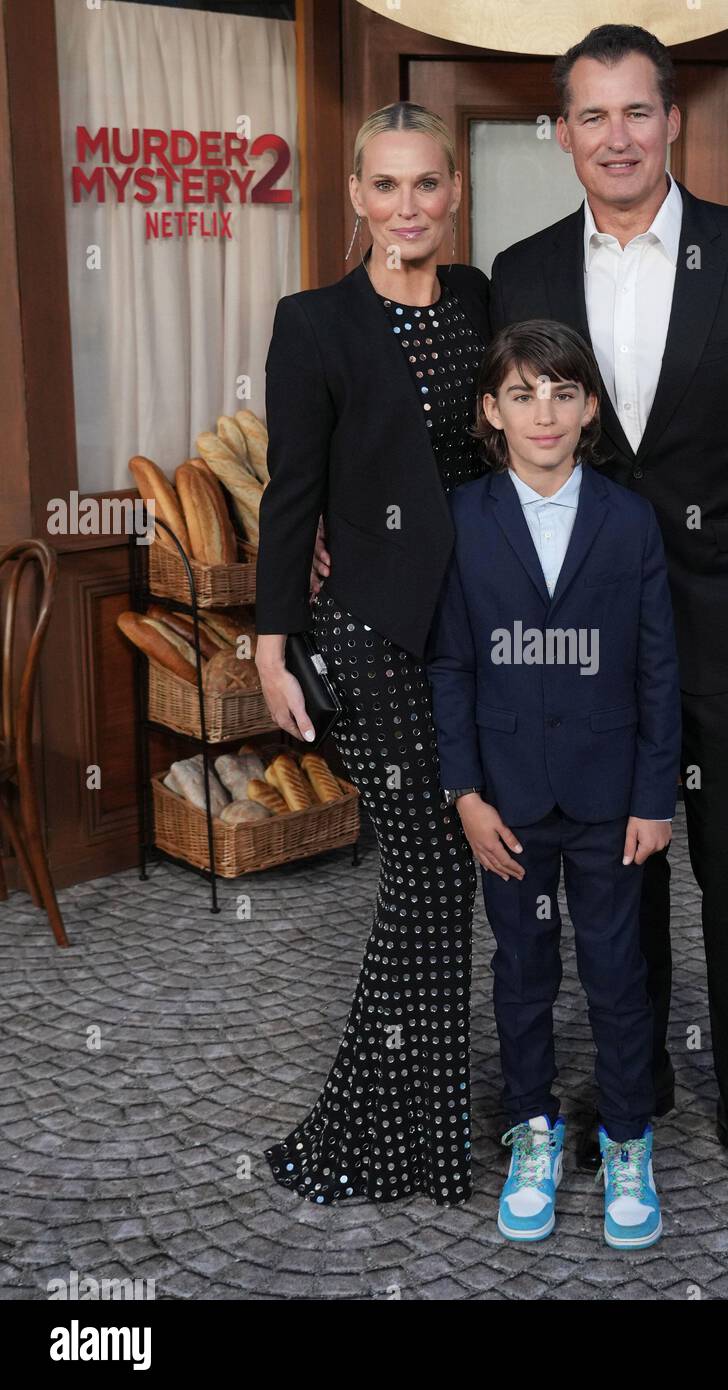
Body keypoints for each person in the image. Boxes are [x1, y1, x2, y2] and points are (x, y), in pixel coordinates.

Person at [489, 25, 728, 1214]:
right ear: (562, 136)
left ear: (672, 122)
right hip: (585, 627)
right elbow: (487, 437)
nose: (616, 138)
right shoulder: (523, 268)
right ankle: (626, 1089)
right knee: (614, 866)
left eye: (636, 112)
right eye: (590, 117)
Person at [254, 101, 492, 1206]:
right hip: (372, 634)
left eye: (427, 184)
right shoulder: (312, 323)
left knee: (449, 882)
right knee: (433, 872)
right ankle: (386, 1126)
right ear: (353, 197)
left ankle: (425, 1121)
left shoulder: (480, 303)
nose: (408, 207)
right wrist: (270, 639)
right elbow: (290, 491)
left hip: (475, 629)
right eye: (385, 186)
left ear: (453, 193)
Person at [426, 320, 681, 1248]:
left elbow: (657, 666)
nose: (545, 413)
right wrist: (465, 794)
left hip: (611, 799)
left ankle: (624, 1136)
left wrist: (656, 796)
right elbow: (451, 665)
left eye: (563, 394)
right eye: (523, 395)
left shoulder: (627, 519)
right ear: (491, 411)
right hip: (506, 801)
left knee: (618, 974)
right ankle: (530, 1127)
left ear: (591, 410)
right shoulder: (463, 517)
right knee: (522, 973)